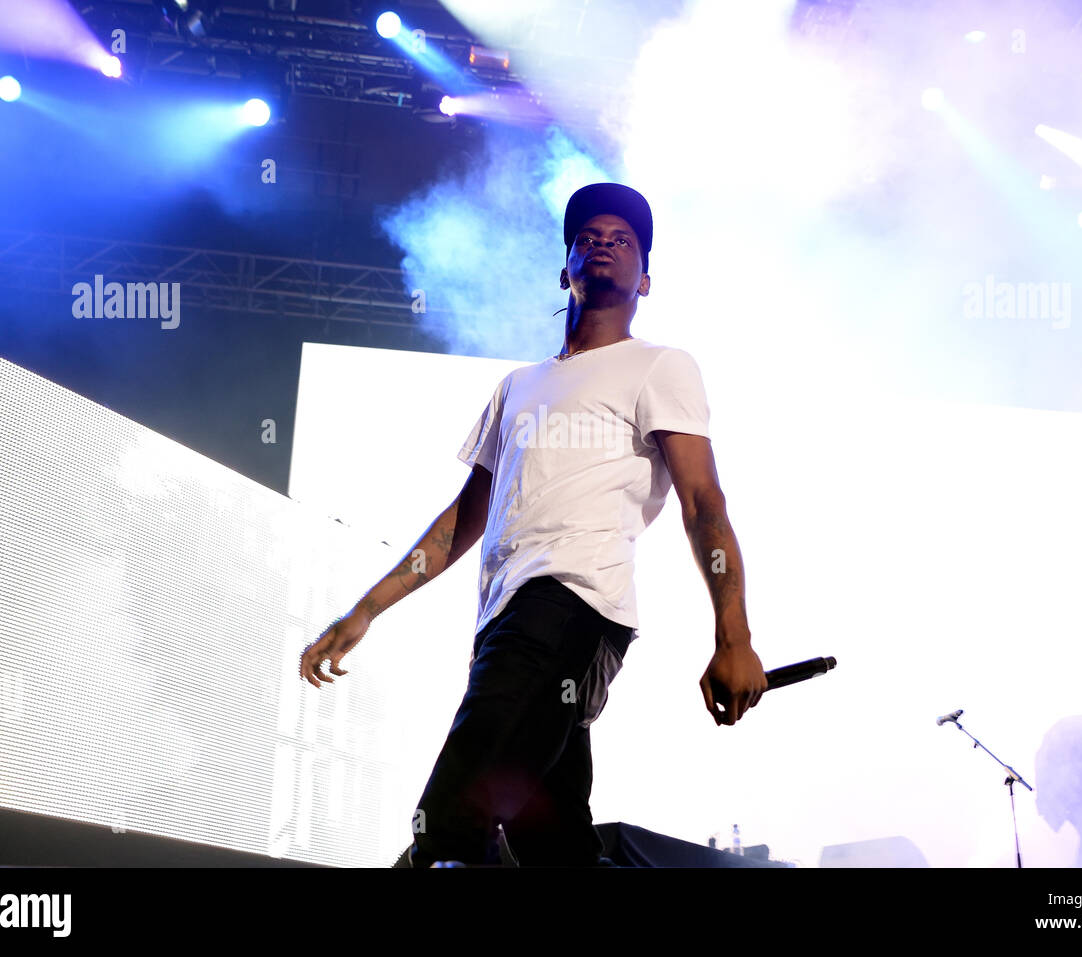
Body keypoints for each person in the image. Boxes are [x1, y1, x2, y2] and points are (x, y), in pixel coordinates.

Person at [300, 183, 767, 867]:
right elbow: (460, 520)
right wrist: (365, 610)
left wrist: (735, 637)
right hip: (506, 620)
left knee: (451, 818)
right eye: (588, 237)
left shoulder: (660, 367)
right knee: (554, 848)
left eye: (623, 240)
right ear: (563, 269)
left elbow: (704, 504)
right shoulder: (516, 387)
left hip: (570, 605)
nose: (603, 243)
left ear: (645, 279)